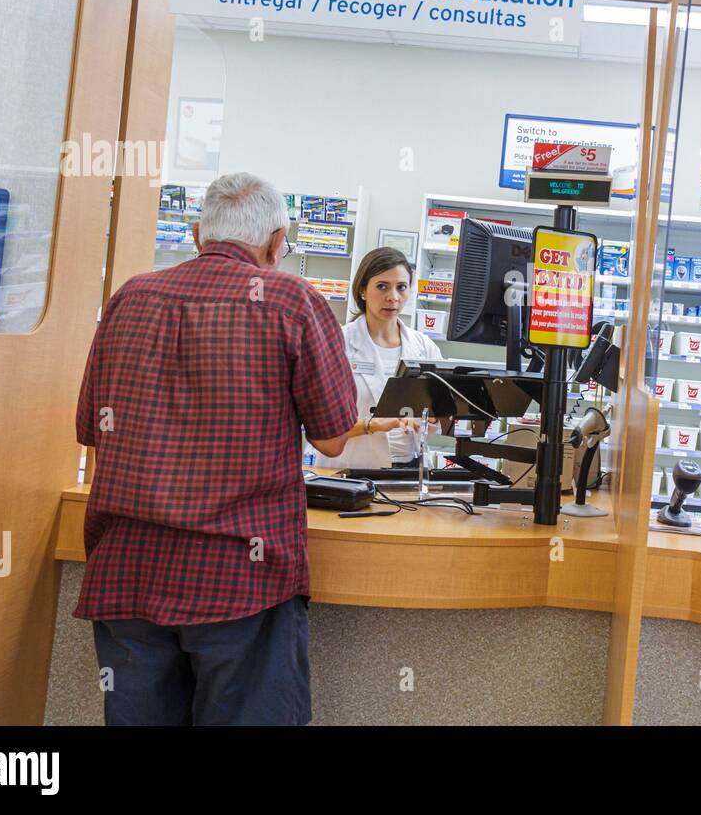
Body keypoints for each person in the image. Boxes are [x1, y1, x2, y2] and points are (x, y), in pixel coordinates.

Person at [74, 172, 358, 726]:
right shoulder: (292, 301)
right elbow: (331, 438)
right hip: (239, 579)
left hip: (127, 573)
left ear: (198, 233)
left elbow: (90, 426)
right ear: (279, 242)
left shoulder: (131, 295)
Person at [315, 247, 442, 470]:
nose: (393, 297)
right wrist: (373, 425)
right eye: (382, 286)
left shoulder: (424, 348)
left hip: (408, 471)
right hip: (349, 468)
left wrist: (432, 419)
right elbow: (320, 424)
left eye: (401, 287)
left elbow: (438, 418)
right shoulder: (337, 343)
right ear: (363, 290)